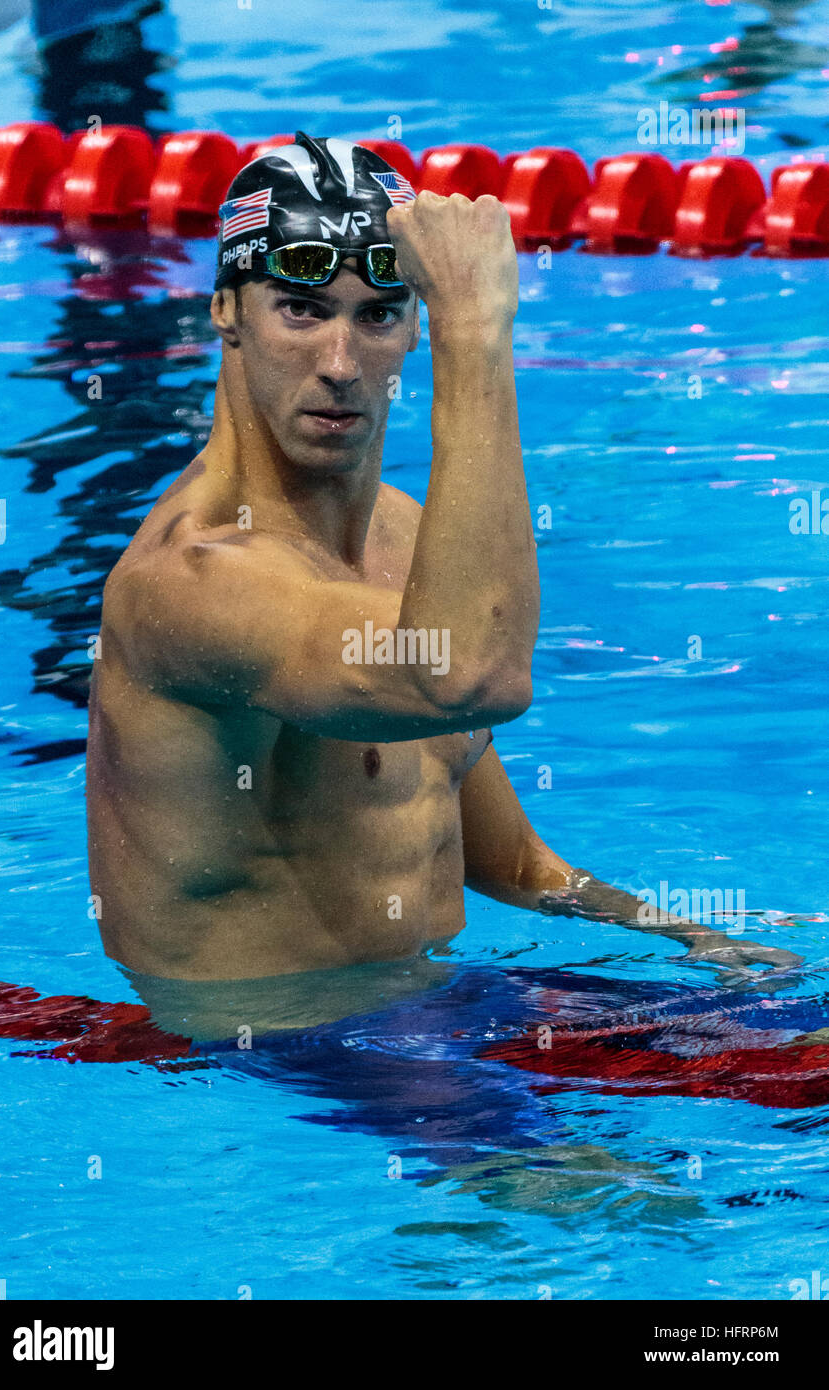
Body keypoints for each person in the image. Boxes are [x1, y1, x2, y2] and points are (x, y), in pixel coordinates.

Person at [85, 132, 799, 984]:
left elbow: (513, 862)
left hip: (429, 1029)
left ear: (409, 323)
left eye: (380, 313)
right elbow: (469, 676)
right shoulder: (197, 578)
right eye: (302, 310)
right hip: (271, 1069)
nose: (342, 364)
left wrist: (688, 936)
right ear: (227, 309)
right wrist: (475, 325)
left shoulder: (406, 535)